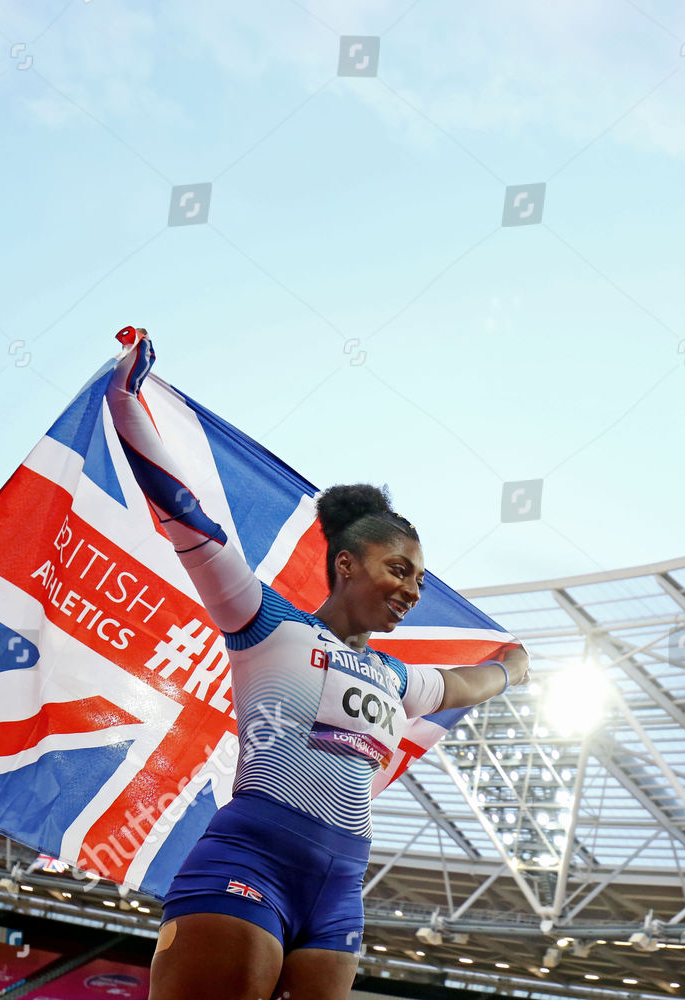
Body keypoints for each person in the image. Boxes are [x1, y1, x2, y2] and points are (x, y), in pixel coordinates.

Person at [104, 328, 529, 1000]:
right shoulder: (264, 620)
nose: (412, 592)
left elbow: (463, 685)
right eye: (398, 569)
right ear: (345, 564)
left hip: (339, 892)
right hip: (248, 860)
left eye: (419, 580)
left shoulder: (396, 678)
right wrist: (125, 398)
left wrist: (512, 667)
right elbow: (182, 512)